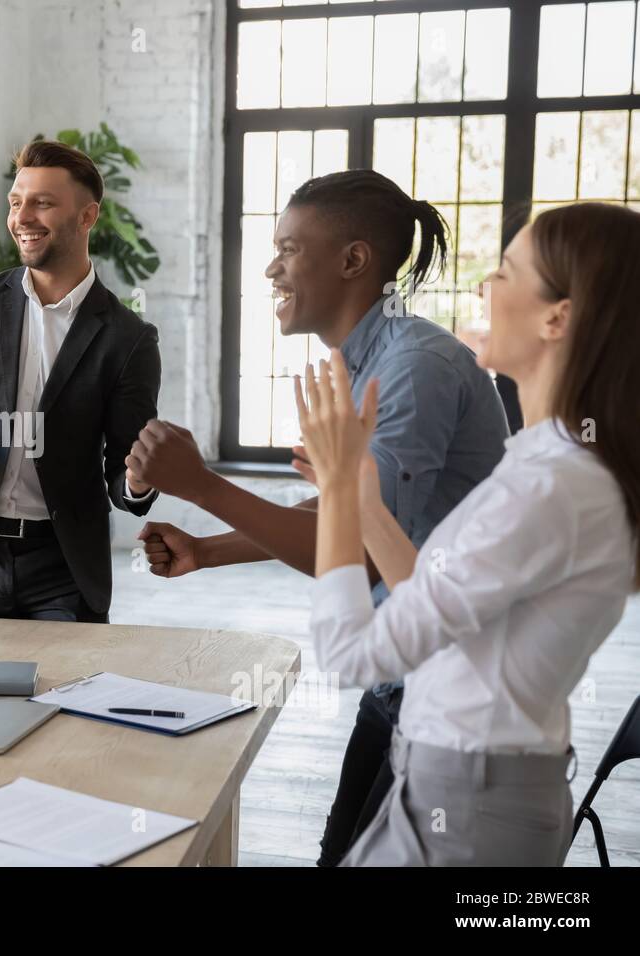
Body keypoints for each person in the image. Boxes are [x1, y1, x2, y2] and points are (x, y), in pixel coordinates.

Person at [129, 170, 508, 864]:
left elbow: (360, 548)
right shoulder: (370, 359)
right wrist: (208, 549)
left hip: (450, 694)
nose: (272, 267)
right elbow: (346, 513)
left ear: (353, 260)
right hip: (406, 681)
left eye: (288, 248)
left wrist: (202, 484)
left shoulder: (414, 367)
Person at [296, 201, 639, 865]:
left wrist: (338, 489)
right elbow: (438, 600)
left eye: (507, 272)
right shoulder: (550, 462)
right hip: (463, 795)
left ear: (557, 317)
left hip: (468, 813)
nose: (485, 284)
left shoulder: (553, 485)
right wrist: (365, 499)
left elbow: (350, 654)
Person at [0, 140, 160, 622]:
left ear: (87, 217)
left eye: (42, 203)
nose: (22, 218)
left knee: (59, 693)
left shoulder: (129, 338)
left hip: (62, 567)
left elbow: (124, 469)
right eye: (16, 203)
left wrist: (139, 481)